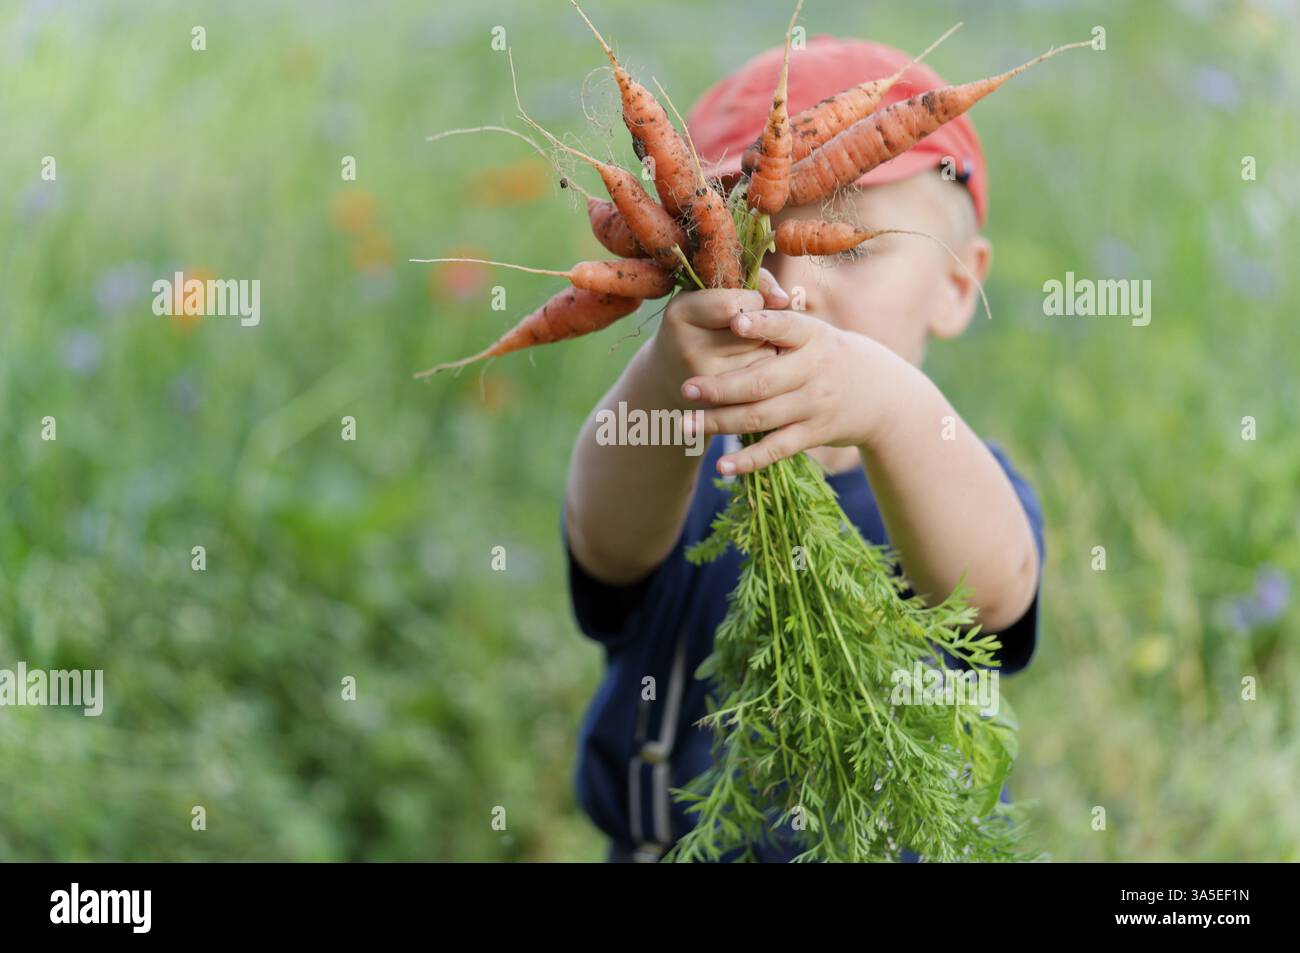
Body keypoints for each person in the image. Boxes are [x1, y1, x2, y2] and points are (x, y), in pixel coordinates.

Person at [562, 35, 1045, 862]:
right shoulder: (679, 466)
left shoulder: (954, 468)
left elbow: (994, 599)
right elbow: (602, 538)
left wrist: (893, 410)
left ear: (958, 284)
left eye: (844, 248)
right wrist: (665, 372)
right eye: (747, 249)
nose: (793, 286)